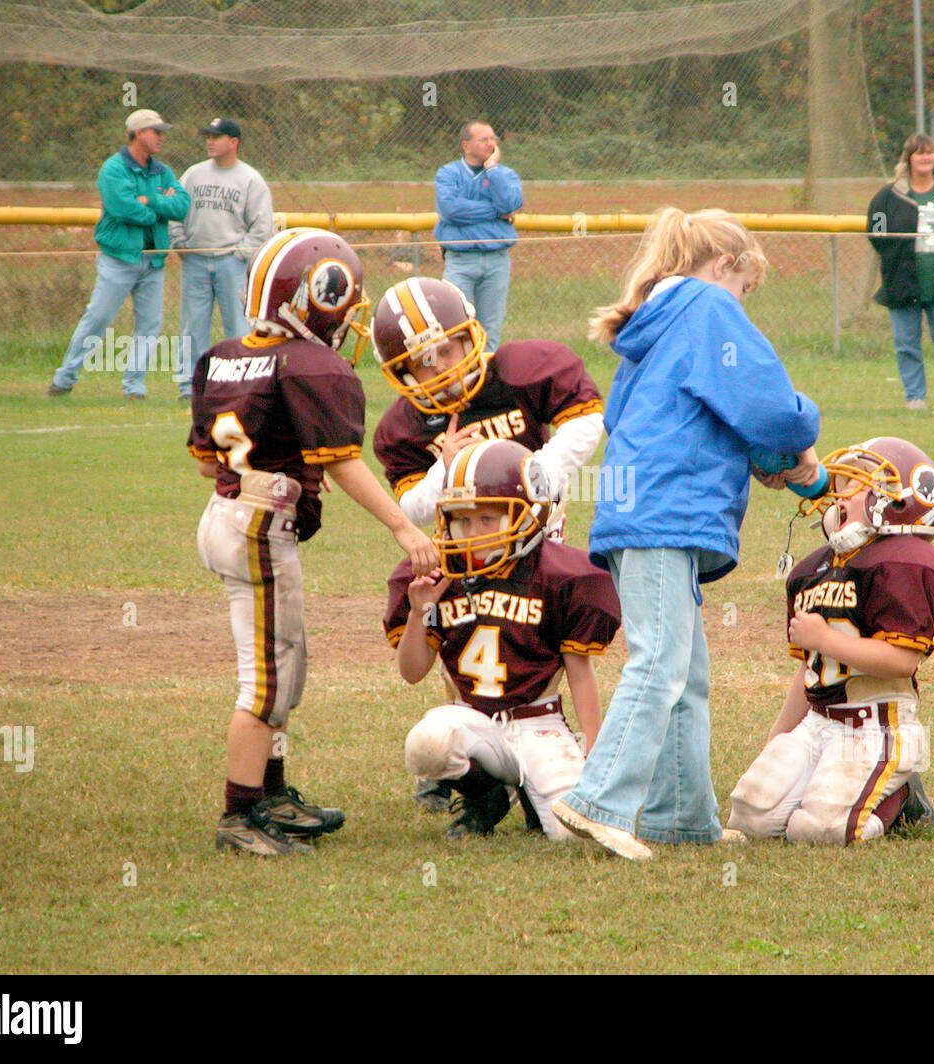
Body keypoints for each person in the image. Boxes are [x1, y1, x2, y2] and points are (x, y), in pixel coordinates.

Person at [550, 207, 823, 861]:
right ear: (725, 265)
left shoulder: (659, 320)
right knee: (661, 660)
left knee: (685, 670)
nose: (742, 303)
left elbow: (677, 411)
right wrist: (798, 445)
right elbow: (761, 401)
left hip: (638, 508)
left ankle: (682, 816)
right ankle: (598, 799)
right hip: (663, 510)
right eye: (745, 288)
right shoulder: (706, 306)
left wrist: (766, 460)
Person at [188, 227, 437, 857]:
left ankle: (268, 792)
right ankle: (241, 813)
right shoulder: (311, 364)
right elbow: (344, 462)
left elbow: (205, 461)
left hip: (226, 512)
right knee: (268, 682)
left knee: (284, 667)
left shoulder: (224, 354)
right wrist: (404, 527)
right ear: (316, 298)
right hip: (259, 529)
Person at [370, 275, 606, 811]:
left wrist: (536, 473)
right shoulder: (404, 426)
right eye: (421, 363)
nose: (439, 370)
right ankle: (474, 761)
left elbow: (587, 420)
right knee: (463, 634)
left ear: (468, 332)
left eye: (445, 350)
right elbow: (410, 509)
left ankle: (554, 746)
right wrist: (445, 467)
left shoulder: (520, 370)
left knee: (539, 634)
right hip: (464, 542)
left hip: (536, 532)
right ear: (400, 372)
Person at [384, 438, 621, 841]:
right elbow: (411, 673)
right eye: (461, 520)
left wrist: (595, 755)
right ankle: (487, 793)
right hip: (473, 721)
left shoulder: (560, 575)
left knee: (572, 835)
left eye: (487, 519)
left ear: (530, 514)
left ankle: (532, 790)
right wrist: (420, 611)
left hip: (539, 722)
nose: (472, 533)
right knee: (426, 743)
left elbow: (581, 675)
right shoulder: (439, 576)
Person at [727, 437, 934, 845]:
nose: (837, 491)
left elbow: (902, 661)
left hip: (875, 724)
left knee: (818, 831)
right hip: (818, 722)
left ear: (899, 501)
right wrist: (776, 741)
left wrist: (824, 638)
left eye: (856, 481)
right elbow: (809, 671)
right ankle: (828, 784)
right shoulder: (815, 569)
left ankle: (901, 799)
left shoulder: (900, 563)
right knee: (749, 816)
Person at [49, 109, 190, 399]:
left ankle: (134, 388)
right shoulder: (113, 169)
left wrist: (149, 200)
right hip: (119, 259)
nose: (162, 137)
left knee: (149, 326)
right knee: (98, 318)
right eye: (156, 132)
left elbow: (182, 206)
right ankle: (64, 379)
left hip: (154, 260)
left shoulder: (163, 171)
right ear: (139, 134)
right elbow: (125, 209)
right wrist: (158, 208)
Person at [168, 117, 274, 400]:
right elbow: (174, 208)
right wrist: (179, 241)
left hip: (231, 262)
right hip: (196, 260)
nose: (210, 142)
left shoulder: (250, 179)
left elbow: (262, 226)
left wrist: (240, 253)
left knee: (238, 327)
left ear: (234, 142)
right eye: (208, 136)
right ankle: (190, 385)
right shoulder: (193, 175)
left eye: (216, 137)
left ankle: (239, 383)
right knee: (193, 325)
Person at [867, 133, 934, 412]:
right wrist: (895, 257)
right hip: (903, 283)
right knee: (906, 343)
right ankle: (915, 398)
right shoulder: (888, 195)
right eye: (919, 153)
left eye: (929, 153)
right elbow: (876, 231)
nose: (925, 158)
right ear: (909, 159)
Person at [434, 121, 523, 352]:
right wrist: (496, 213)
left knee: (489, 332)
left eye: (493, 139)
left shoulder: (504, 174)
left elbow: (511, 203)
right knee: (452, 326)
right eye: (484, 140)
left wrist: (492, 170)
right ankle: (454, 382)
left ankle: (486, 386)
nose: (491, 144)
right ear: (466, 145)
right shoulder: (449, 173)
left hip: (497, 260)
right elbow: (452, 210)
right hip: (461, 260)